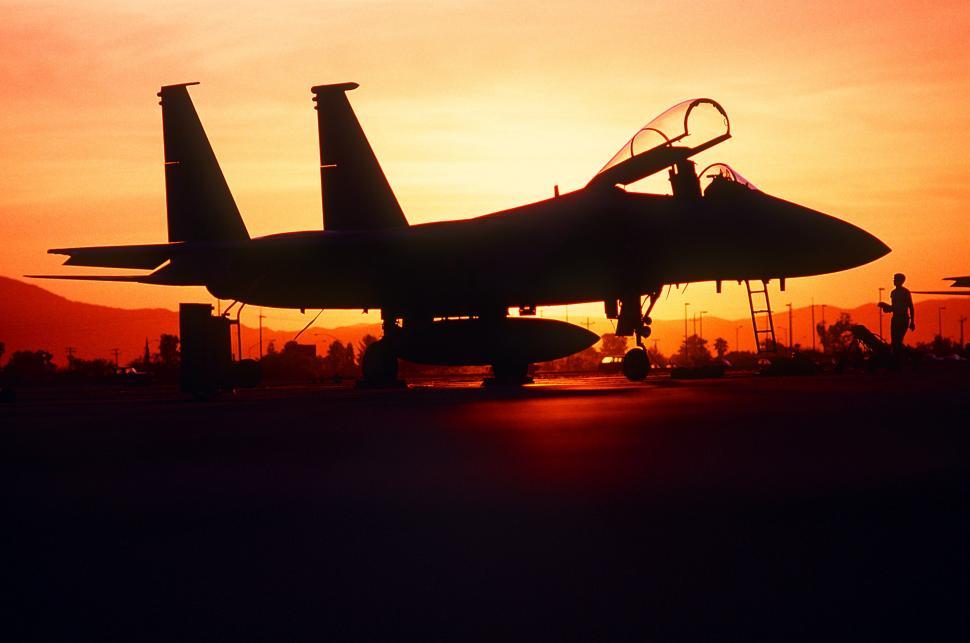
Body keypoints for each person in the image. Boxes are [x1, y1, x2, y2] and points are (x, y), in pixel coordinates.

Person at [878, 273, 915, 362]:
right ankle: (900, 359)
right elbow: (895, 307)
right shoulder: (893, 292)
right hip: (895, 319)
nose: (894, 281)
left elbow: (910, 307)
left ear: (900, 281)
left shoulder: (905, 292)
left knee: (897, 341)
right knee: (895, 342)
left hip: (903, 319)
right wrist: (887, 308)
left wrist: (912, 321)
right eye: (894, 279)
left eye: (895, 279)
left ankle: (910, 356)